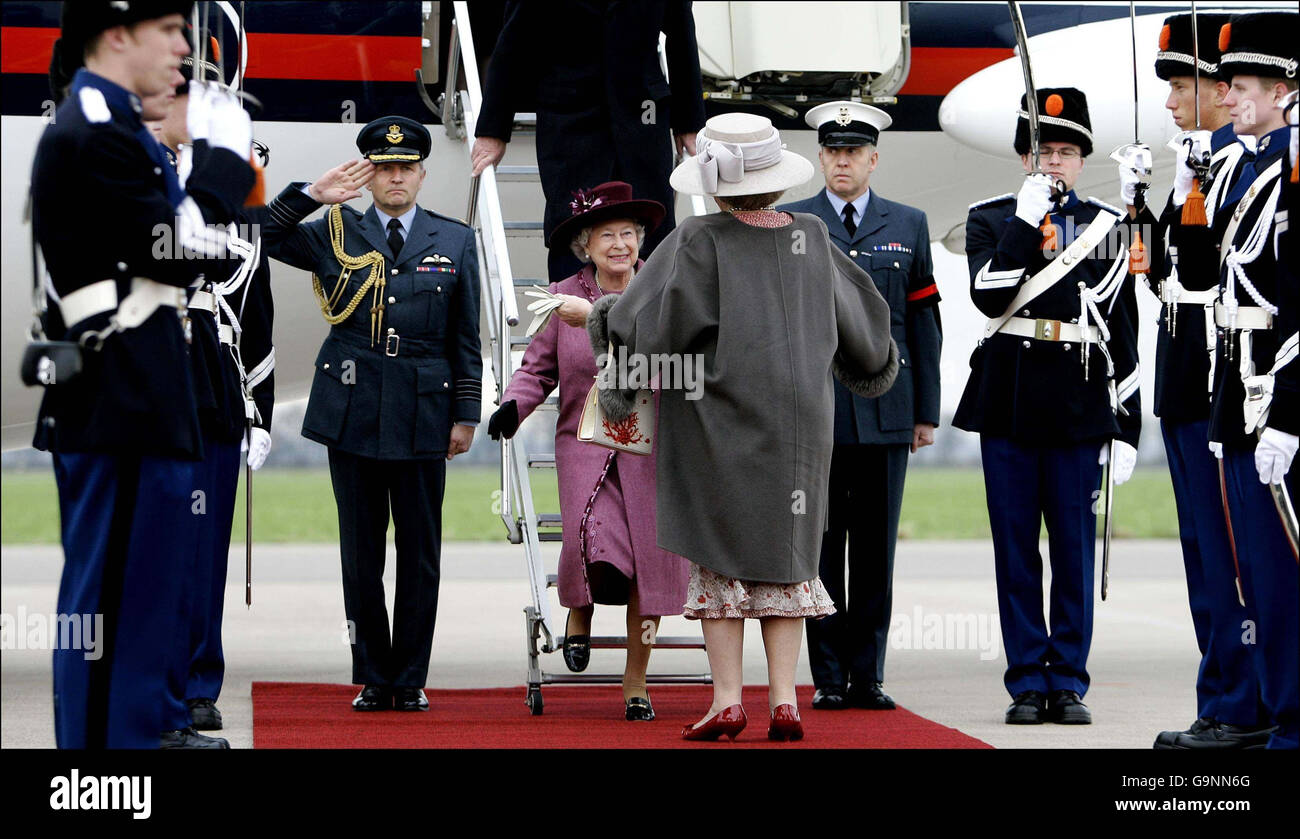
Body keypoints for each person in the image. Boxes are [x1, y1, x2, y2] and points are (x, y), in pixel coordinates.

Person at [588, 113, 898, 742]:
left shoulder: (698, 238)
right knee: (789, 559)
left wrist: (601, 319)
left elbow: (648, 325)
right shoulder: (813, 233)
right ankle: (785, 701)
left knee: (719, 558)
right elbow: (868, 332)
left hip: (717, 420)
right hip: (803, 425)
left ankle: (728, 700)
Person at [33, 0, 254, 748]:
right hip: (118, 398)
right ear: (116, 32)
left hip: (143, 400)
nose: (183, 51)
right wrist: (225, 164)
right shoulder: (95, 130)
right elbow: (173, 246)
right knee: (111, 612)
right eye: (169, 32)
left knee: (143, 608)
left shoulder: (118, 127)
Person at [260, 116, 481, 713]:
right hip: (353, 405)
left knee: (420, 552)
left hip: (422, 409)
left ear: (421, 175)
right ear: (369, 175)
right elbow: (264, 237)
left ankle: (409, 676)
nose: (395, 178)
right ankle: (373, 674)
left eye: (405, 168)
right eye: (383, 169)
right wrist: (310, 194)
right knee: (360, 553)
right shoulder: (336, 230)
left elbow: (466, 336)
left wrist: (466, 414)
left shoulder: (455, 239)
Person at [953, 88, 1142, 726]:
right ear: (1024, 160)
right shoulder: (991, 217)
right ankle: (1026, 682)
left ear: (1083, 160)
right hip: (1007, 397)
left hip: (1080, 400)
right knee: (1014, 547)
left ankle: (1068, 680)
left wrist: (1128, 428)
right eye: (1043, 153)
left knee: (1072, 547)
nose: (1054, 163)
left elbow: (1125, 330)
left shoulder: (1109, 225)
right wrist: (1021, 222)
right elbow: (987, 296)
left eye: (1065, 153)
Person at [487, 181, 688, 721]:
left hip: (653, 449)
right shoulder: (562, 296)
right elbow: (537, 370)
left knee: (651, 560)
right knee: (589, 536)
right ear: (586, 245)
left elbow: (687, 360)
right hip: (586, 444)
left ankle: (637, 680)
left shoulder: (665, 286)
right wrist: (513, 406)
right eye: (608, 236)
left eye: (628, 234)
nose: (620, 244)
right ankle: (578, 611)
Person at [1121, 13, 1268, 750]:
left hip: (1219, 378)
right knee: (1203, 554)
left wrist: (1193, 185)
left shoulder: (1237, 165)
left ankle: (1244, 702)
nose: (1174, 100)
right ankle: (1222, 693)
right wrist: (1137, 210)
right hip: (1182, 380)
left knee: (1234, 555)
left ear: (1221, 88)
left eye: (1185, 84)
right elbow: (1157, 282)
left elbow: (1213, 275)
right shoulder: (1194, 165)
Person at [780, 101, 942, 712]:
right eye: (831, 151)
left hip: (886, 411)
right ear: (820, 158)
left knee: (875, 552)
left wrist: (925, 409)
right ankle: (826, 677)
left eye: (853, 152)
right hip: (814, 414)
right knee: (820, 547)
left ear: (874, 159)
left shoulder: (910, 223)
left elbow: (924, 322)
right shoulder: (794, 222)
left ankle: (868, 676)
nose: (841, 161)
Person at [152, 52, 277, 735]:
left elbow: (252, 294)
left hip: (215, 392)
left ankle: (198, 681)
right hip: (154, 383)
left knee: (203, 553)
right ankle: (157, 681)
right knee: (153, 549)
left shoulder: (234, 179)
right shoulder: (136, 168)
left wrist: (257, 405)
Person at [1206, 11, 1299, 750]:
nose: (1229, 98)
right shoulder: (1245, 165)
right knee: (1256, 575)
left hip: (1275, 382)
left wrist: (1291, 410)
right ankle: (1276, 711)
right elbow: (1207, 274)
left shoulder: (1292, 169)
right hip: (1238, 383)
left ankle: (1293, 720)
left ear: (1282, 92)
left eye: (1242, 87)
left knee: (1285, 573)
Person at [470, 0, 705, 281]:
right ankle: (569, 321)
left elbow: (681, 37)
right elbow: (512, 43)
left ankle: (653, 321)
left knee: (651, 235)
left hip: (644, 121)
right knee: (571, 237)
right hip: (570, 124)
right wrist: (492, 131)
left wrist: (689, 123)